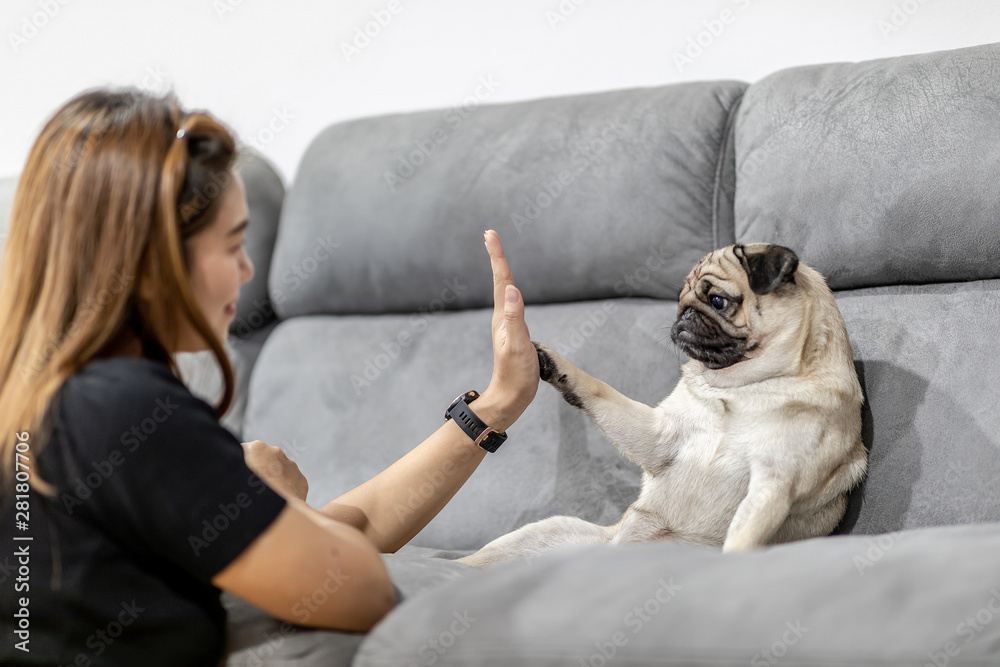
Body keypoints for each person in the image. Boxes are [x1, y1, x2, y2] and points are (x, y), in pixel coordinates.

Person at [0, 88, 539, 666]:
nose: (248, 269)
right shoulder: (125, 408)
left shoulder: (47, 400)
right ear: (150, 260)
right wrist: (279, 501)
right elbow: (360, 591)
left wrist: (495, 405)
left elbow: (318, 548)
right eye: (233, 243)